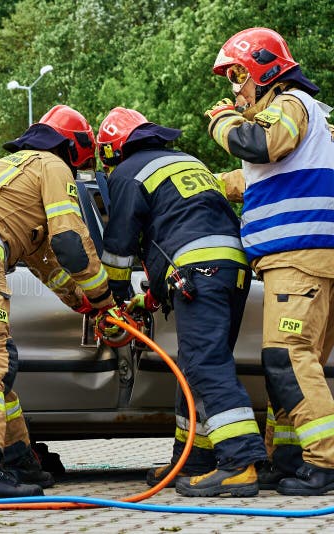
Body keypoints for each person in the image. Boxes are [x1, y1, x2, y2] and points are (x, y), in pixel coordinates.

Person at [0, 105, 118, 499]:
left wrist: (82, 303)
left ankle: (19, 459)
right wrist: (105, 299)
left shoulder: (9, 171)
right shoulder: (52, 165)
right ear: (73, 148)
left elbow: (48, 264)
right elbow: (70, 242)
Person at [98, 107, 267, 497]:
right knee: (196, 366)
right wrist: (149, 299)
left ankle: (240, 462)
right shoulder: (188, 163)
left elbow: (120, 248)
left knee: (205, 363)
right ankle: (192, 461)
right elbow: (184, 228)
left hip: (198, 272)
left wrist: (112, 301)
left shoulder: (128, 172)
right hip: (231, 271)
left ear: (114, 150)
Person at [207, 27, 334, 496]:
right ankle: (288, 458)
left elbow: (261, 145)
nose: (234, 90)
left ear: (264, 70)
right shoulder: (308, 121)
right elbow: (261, 177)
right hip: (308, 259)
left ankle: (326, 462)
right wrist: (205, 183)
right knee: (298, 365)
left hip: (299, 258)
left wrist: (221, 122)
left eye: (237, 76)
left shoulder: (290, 103)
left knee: (286, 357)